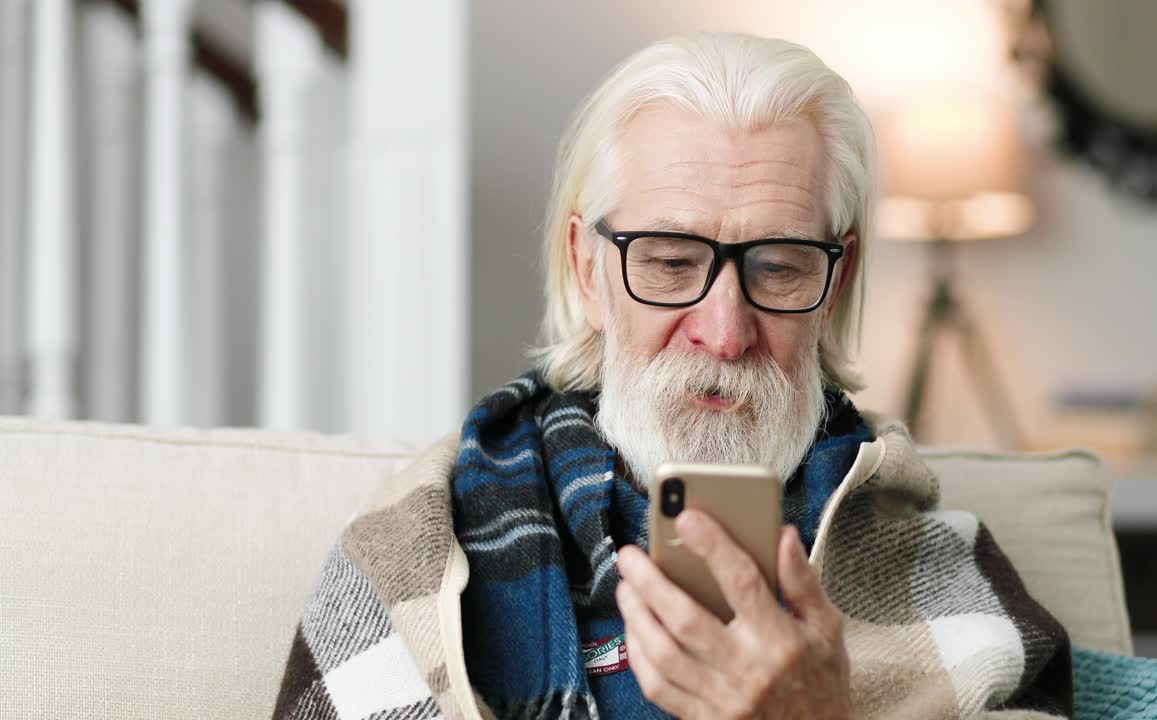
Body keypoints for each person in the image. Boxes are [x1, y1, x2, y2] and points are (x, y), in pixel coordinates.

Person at [274, 32, 1072, 720]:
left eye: (781, 267)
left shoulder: (937, 574)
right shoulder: (417, 546)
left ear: (837, 280)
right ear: (586, 268)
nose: (725, 334)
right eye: (670, 261)